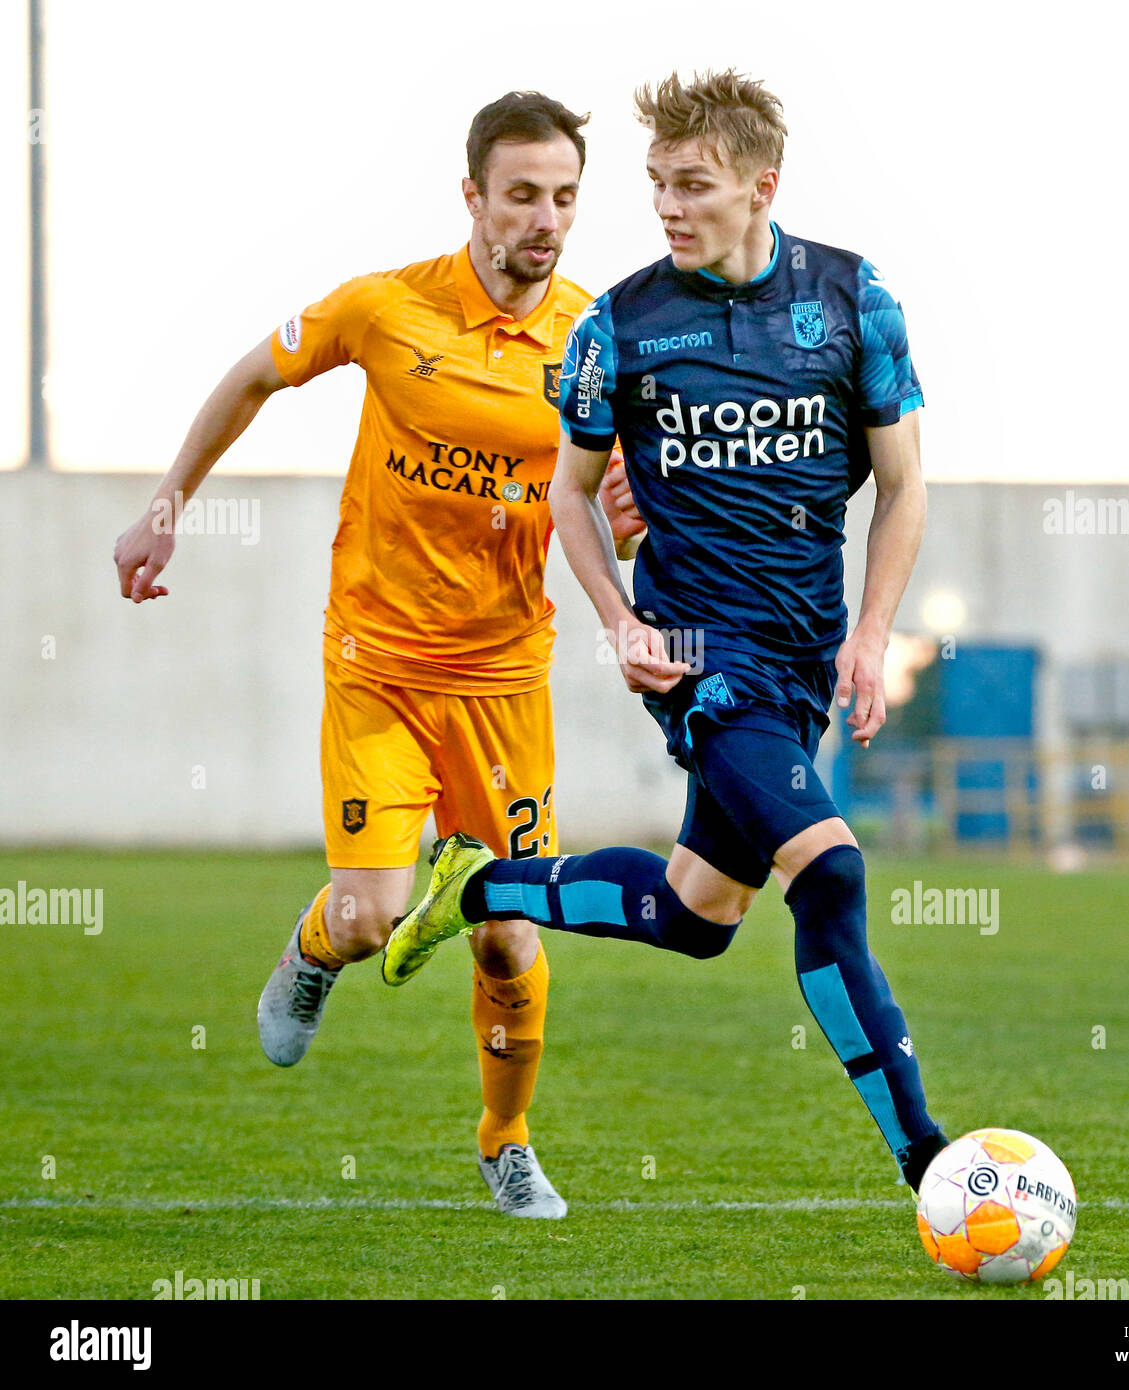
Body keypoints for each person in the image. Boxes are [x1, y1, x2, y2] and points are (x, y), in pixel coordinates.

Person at [384, 69, 949, 1193]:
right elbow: (568, 496)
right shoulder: (620, 325)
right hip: (697, 657)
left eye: (691, 184)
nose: (667, 206)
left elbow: (904, 483)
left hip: (800, 659)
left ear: (761, 186)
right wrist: (622, 620)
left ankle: (483, 886)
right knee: (828, 877)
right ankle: (929, 1163)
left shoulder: (852, 300)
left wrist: (869, 631)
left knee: (697, 914)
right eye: (655, 185)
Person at [113, 91, 629, 1219]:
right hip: (381, 670)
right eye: (523, 194)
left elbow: (610, 502)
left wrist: (634, 531)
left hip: (505, 684)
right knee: (369, 921)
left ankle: (506, 1140)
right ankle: (311, 948)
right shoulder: (386, 310)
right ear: (473, 198)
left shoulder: (598, 342)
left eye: (564, 197)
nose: (545, 219)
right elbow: (254, 374)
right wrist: (167, 502)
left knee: (507, 937)